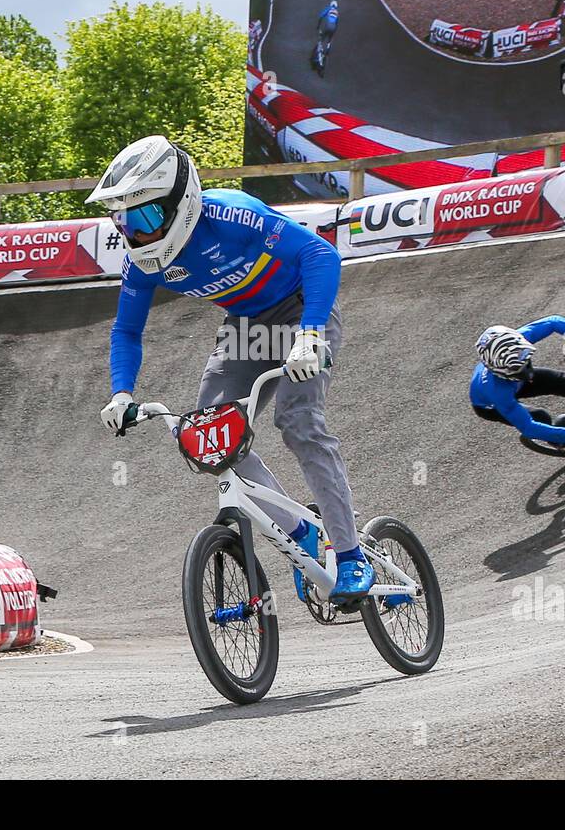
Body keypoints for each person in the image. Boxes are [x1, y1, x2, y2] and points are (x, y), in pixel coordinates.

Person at [89, 135, 373, 601]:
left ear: (180, 201)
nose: (134, 234)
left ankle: (349, 553)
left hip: (302, 311)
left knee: (298, 422)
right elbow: (126, 332)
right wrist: (122, 393)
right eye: (122, 220)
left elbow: (319, 255)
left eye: (143, 217)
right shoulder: (143, 263)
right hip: (245, 327)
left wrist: (310, 335)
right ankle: (302, 532)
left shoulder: (231, 215)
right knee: (209, 438)